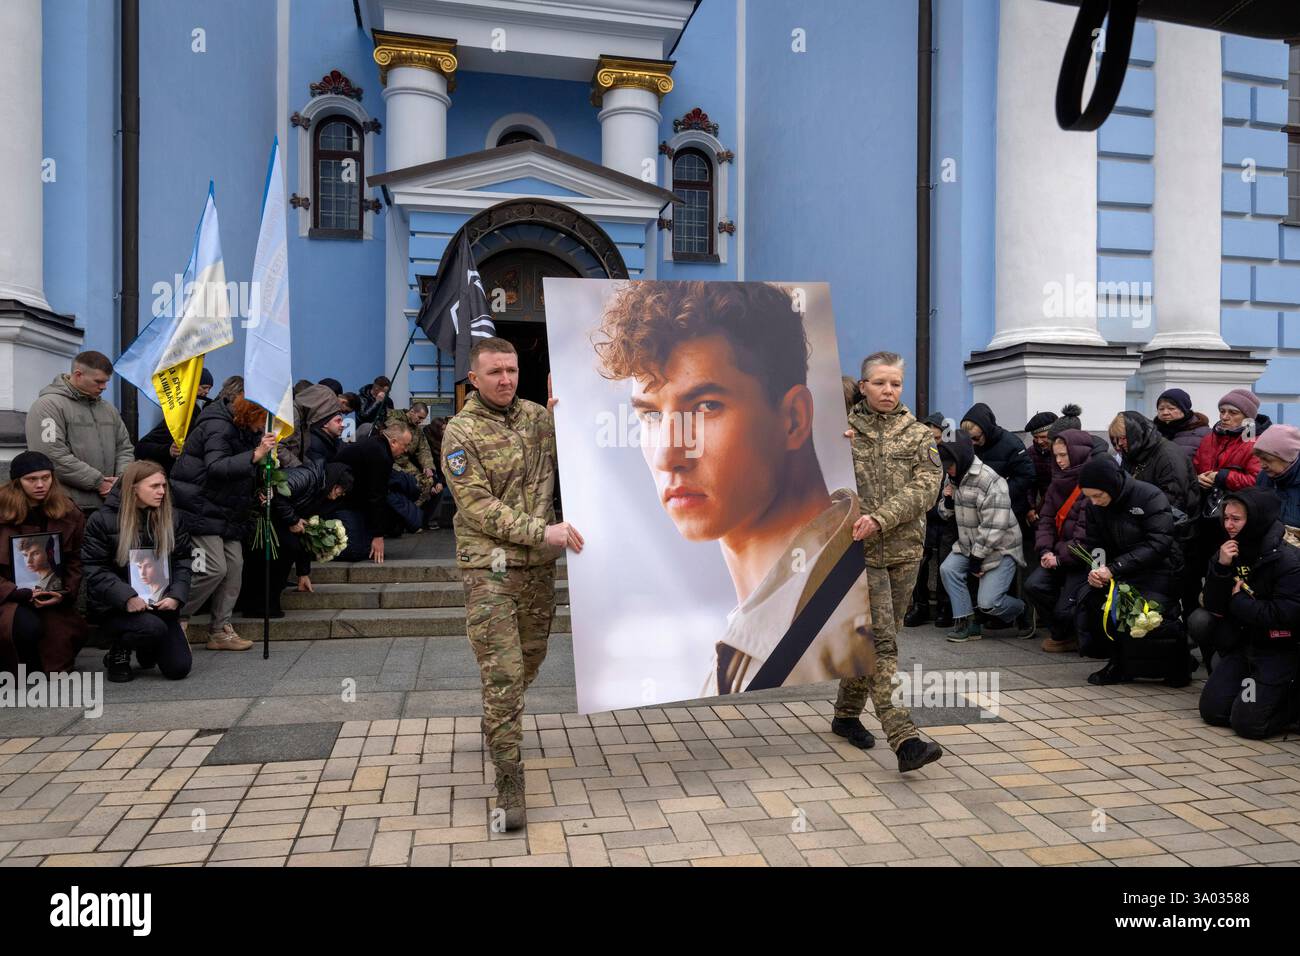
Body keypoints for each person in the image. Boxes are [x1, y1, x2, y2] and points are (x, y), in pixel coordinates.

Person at [443, 336, 583, 829]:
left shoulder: (538, 419)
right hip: (491, 569)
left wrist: (576, 406)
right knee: (503, 676)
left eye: (511, 370)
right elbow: (476, 505)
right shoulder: (459, 433)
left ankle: (498, 722)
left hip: (538, 569)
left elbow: (581, 451)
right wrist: (540, 530)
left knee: (528, 664)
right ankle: (509, 777)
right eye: (495, 372)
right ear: (474, 379)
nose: (505, 379)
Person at [827, 352, 943, 769]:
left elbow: (927, 489)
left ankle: (845, 715)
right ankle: (903, 736)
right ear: (863, 386)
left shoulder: (916, 436)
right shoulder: (842, 432)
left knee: (878, 639)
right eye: (879, 383)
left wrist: (880, 518)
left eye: (895, 383)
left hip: (903, 552)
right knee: (881, 644)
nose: (888, 391)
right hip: (857, 555)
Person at [170, 381, 276, 651]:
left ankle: (220, 629)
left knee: (235, 568)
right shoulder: (217, 425)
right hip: (199, 507)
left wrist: (258, 489)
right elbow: (216, 467)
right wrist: (255, 455)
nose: (263, 426)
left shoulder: (243, 428)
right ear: (250, 414)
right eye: (262, 419)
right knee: (212, 568)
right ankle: (174, 617)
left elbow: (239, 470)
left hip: (227, 510)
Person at [1192, 487, 1300, 738]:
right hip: (1244, 644)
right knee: (1214, 711)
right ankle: (1250, 693)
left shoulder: (1287, 560)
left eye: (1236, 519)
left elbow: (1284, 614)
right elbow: (1212, 604)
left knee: (1248, 725)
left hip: (1280, 647)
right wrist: (1221, 569)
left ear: (1255, 519)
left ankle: (1292, 703)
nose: (1228, 525)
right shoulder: (1228, 550)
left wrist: (1239, 601)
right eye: (1225, 518)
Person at [1074, 456, 1186, 686]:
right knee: (1096, 604)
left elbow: (1159, 544)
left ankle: (1177, 664)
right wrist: (1096, 570)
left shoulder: (1149, 495)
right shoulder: (1094, 507)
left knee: (1148, 613)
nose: (1093, 502)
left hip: (1159, 569)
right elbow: (1095, 545)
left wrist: (1114, 568)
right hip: (1118, 570)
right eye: (1089, 497)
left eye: (1098, 496)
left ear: (1111, 487)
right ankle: (1119, 662)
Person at [82, 460, 193, 682]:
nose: (161, 491)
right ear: (133, 488)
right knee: (152, 628)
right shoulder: (102, 520)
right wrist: (127, 598)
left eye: (163, 486)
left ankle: (148, 647)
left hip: (160, 603)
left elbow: (183, 561)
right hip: (117, 607)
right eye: (154, 486)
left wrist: (176, 596)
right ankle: (119, 651)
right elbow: (95, 568)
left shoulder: (171, 517)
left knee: (178, 668)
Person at [0, 452, 87, 674]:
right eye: (32, 479)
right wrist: (18, 593)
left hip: (52, 596)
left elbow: (75, 561)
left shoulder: (68, 512)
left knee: (60, 654)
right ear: (17, 482)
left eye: (46, 478)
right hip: (9, 598)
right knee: (23, 625)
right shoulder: (2, 512)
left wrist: (64, 592)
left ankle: (36, 664)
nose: (40, 485)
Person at [937, 430, 1028, 642]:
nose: (947, 470)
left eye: (950, 464)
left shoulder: (989, 480)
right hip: (969, 544)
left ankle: (1022, 610)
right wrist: (948, 501)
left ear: (961, 458)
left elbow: (995, 527)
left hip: (1002, 547)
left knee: (989, 603)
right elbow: (943, 512)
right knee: (948, 569)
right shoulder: (952, 478)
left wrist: (977, 560)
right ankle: (967, 622)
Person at [24, 351, 134, 515]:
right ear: (78, 375)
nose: (104, 387)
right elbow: (51, 455)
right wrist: (99, 483)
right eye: (98, 381)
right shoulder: (48, 406)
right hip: (68, 507)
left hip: (110, 505)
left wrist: (120, 481)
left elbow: (124, 448)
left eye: (106, 382)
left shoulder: (108, 409)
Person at [1188, 389, 1263, 613]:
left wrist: (1221, 477)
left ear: (1247, 417)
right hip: (1206, 517)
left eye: (1233, 412)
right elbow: (1196, 464)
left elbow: (1254, 480)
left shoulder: (1253, 441)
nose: (1225, 417)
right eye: (1222, 411)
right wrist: (1198, 478)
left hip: (1233, 519)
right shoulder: (1211, 437)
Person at [1022, 429, 1093, 652]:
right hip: (1056, 554)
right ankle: (1062, 633)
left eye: (1064, 455)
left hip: (1081, 558)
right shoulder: (1057, 482)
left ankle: (1072, 632)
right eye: (1057, 456)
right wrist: (1044, 551)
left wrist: (1058, 557)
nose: (1060, 461)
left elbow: (1085, 534)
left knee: (1065, 608)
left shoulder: (1091, 484)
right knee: (1034, 585)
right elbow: (1046, 520)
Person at [334, 418, 412, 562]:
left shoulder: (378, 446)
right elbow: (377, 495)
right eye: (405, 445)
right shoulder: (380, 455)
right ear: (393, 442)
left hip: (355, 499)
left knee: (365, 547)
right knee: (356, 551)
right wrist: (378, 536)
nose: (406, 450)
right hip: (341, 501)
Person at [905, 411, 956, 630]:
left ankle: (945, 606)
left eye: (936, 438)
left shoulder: (950, 457)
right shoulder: (915, 455)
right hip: (924, 515)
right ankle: (921, 605)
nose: (932, 442)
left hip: (945, 517)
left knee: (946, 556)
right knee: (918, 558)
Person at [1109, 410, 1199, 517]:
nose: (1119, 443)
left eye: (1124, 438)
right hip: (1143, 515)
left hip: (1171, 523)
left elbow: (1174, 499)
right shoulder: (1133, 452)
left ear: (1138, 433)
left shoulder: (1168, 455)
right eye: (1116, 439)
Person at [959, 402, 1035, 522]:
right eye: (968, 439)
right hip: (978, 510)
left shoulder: (1012, 444)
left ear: (987, 430)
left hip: (1008, 511)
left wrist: (998, 493)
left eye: (976, 438)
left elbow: (1027, 476)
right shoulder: (970, 446)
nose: (972, 443)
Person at [134, 367, 215, 474]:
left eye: (209, 388)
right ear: (192, 385)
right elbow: (141, 447)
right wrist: (168, 450)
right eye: (204, 387)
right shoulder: (180, 415)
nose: (207, 392)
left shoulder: (207, 409)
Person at [387, 404, 442, 508]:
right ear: (412, 412)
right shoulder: (393, 421)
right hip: (390, 461)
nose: (420, 421)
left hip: (405, 463)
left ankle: (415, 512)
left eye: (423, 419)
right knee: (407, 482)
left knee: (427, 482)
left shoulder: (417, 431)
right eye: (420, 417)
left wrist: (428, 466)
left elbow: (424, 450)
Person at [1254, 424, 1300, 547]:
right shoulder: (1264, 477)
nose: (1262, 465)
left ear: (1287, 457)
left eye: (1267, 459)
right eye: (1260, 459)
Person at [1153, 388, 1211, 460]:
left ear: (1184, 409)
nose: (1165, 413)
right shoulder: (1152, 432)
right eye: (1161, 409)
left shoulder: (1203, 433)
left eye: (1171, 408)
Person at [1024, 410, 1059, 525]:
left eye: (1043, 437)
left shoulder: (1065, 451)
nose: (1039, 441)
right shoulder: (1031, 453)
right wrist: (1031, 507)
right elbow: (1030, 483)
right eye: (1035, 437)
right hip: (1043, 508)